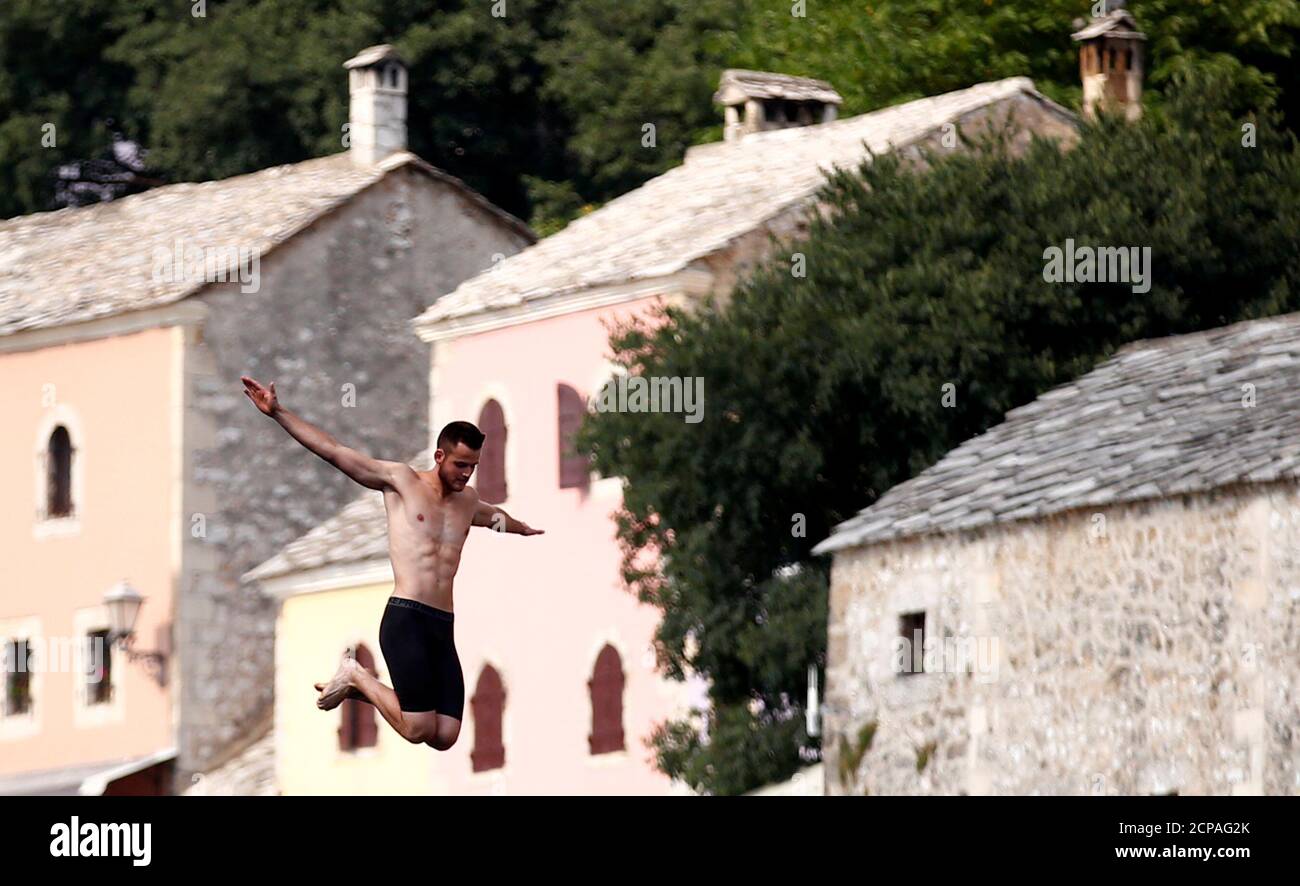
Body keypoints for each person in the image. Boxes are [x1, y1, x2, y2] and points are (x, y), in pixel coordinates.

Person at [241, 375, 543, 750]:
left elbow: (492, 516)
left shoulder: (467, 501)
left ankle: (360, 686)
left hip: (442, 624)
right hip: (407, 618)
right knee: (418, 729)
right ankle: (355, 672)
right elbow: (335, 451)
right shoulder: (401, 482)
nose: (466, 474)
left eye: (473, 467)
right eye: (461, 465)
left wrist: (520, 528)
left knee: (445, 735)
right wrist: (278, 413)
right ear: (440, 457)